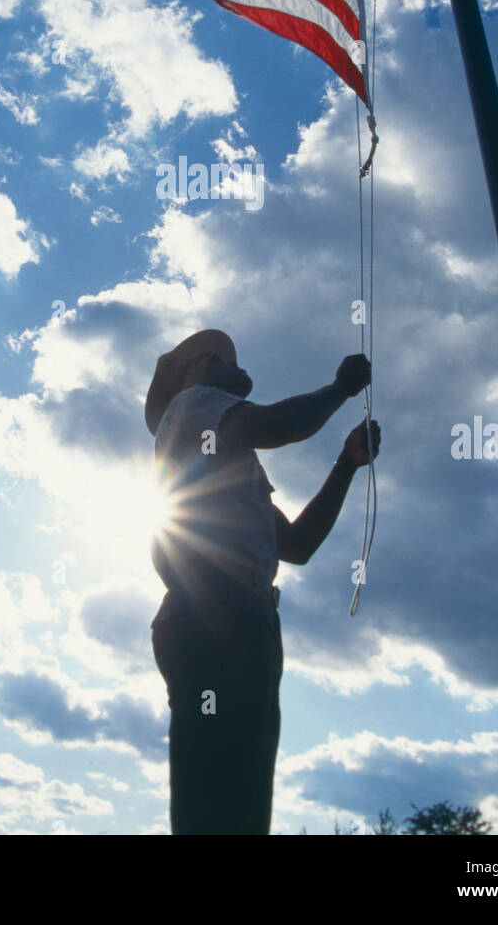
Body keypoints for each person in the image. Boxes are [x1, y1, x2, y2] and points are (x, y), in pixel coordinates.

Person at [146, 328, 380, 835]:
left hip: (242, 618)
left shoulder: (226, 458)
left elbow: (295, 547)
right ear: (199, 368)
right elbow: (278, 424)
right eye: (226, 358)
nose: (237, 366)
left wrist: (346, 463)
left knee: (238, 801)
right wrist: (341, 388)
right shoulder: (193, 404)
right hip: (218, 612)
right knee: (221, 797)